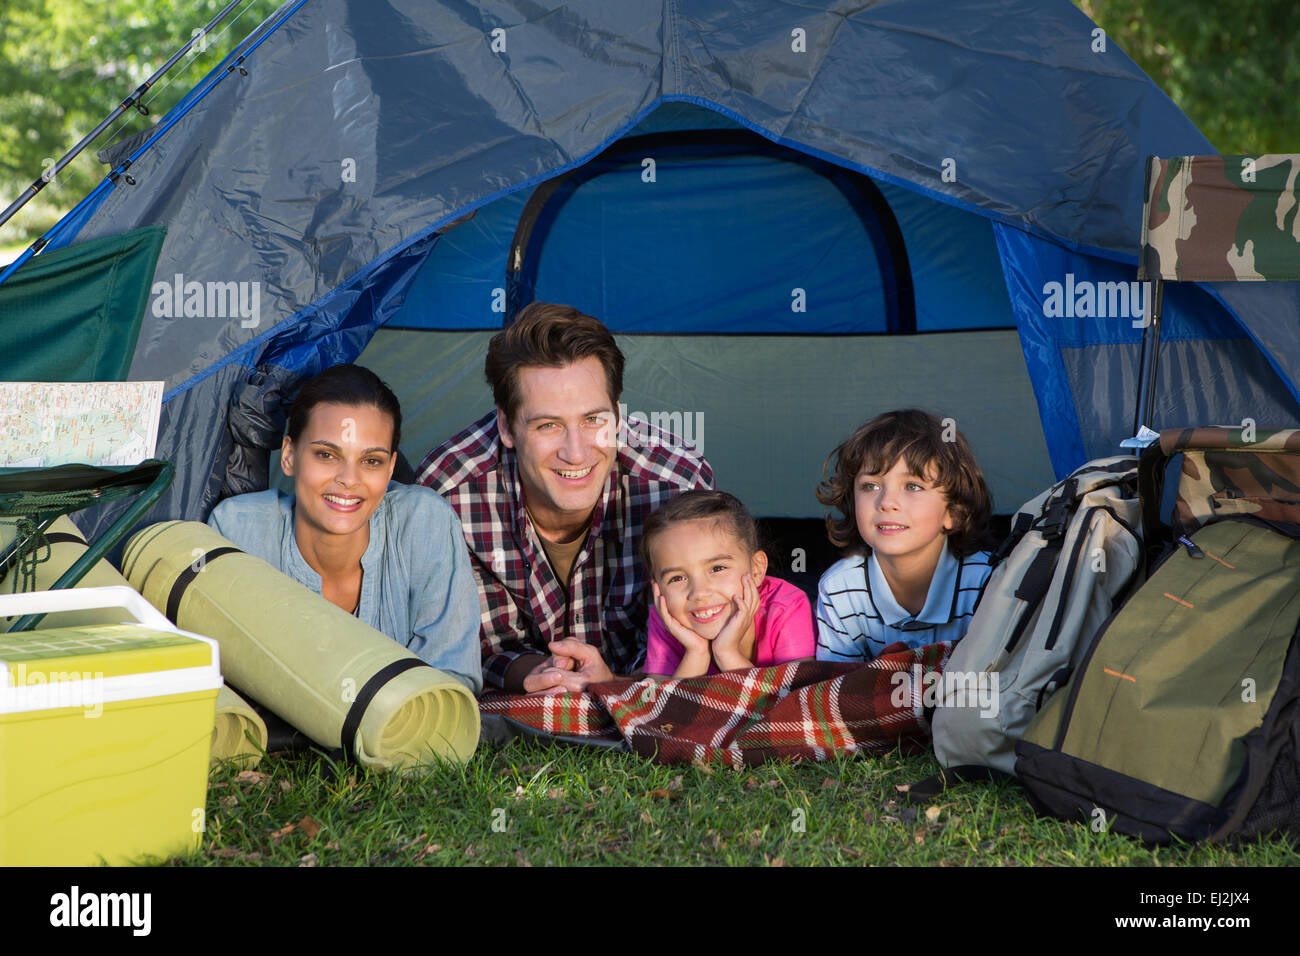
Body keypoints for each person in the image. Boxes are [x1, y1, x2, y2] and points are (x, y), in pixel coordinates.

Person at [416, 302, 713, 694]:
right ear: (506, 426)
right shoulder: (447, 494)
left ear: (618, 415)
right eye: (548, 425)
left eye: (594, 420)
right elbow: (471, 644)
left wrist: (616, 683)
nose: (576, 452)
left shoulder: (676, 483)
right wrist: (539, 673)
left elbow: (699, 629)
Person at [208, 364, 483, 694]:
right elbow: (216, 677)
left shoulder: (424, 522)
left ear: (391, 468)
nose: (349, 479)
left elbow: (452, 680)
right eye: (326, 454)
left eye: (371, 461)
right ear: (289, 456)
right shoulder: (239, 531)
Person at [813, 409, 994, 662]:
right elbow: (836, 690)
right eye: (871, 486)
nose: (886, 502)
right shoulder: (840, 588)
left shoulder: (989, 582)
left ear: (953, 512)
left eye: (913, 486)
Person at [642, 490, 814, 679]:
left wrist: (726, 653)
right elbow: (662, 707)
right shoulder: (666, 617)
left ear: (756, 570)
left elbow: (792, 702)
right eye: (677, 578)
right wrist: (696, 653)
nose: (699, 593)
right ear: (658, 587)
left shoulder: (788, 607)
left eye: (717, 568)